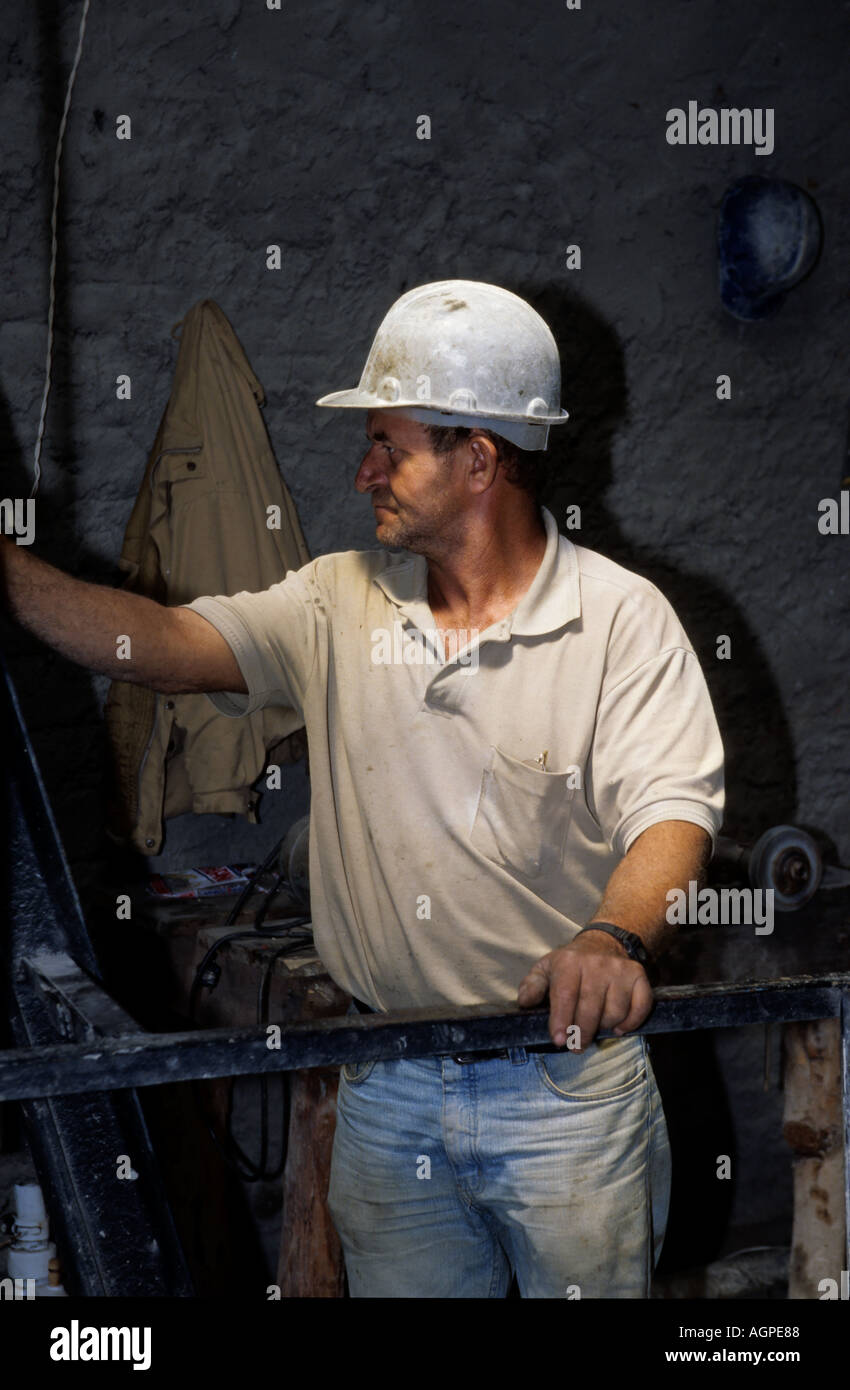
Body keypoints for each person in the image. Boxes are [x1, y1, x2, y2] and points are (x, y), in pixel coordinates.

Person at [0, 280, 724, 1298]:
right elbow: (158, 647)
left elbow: (671, 813)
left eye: (389, 445)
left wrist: (614, 937)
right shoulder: (337, 600)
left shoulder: (619, 622)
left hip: (558, 1084)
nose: (362, 471)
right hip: (386, 1075)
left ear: (480, 458)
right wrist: (7, 573)